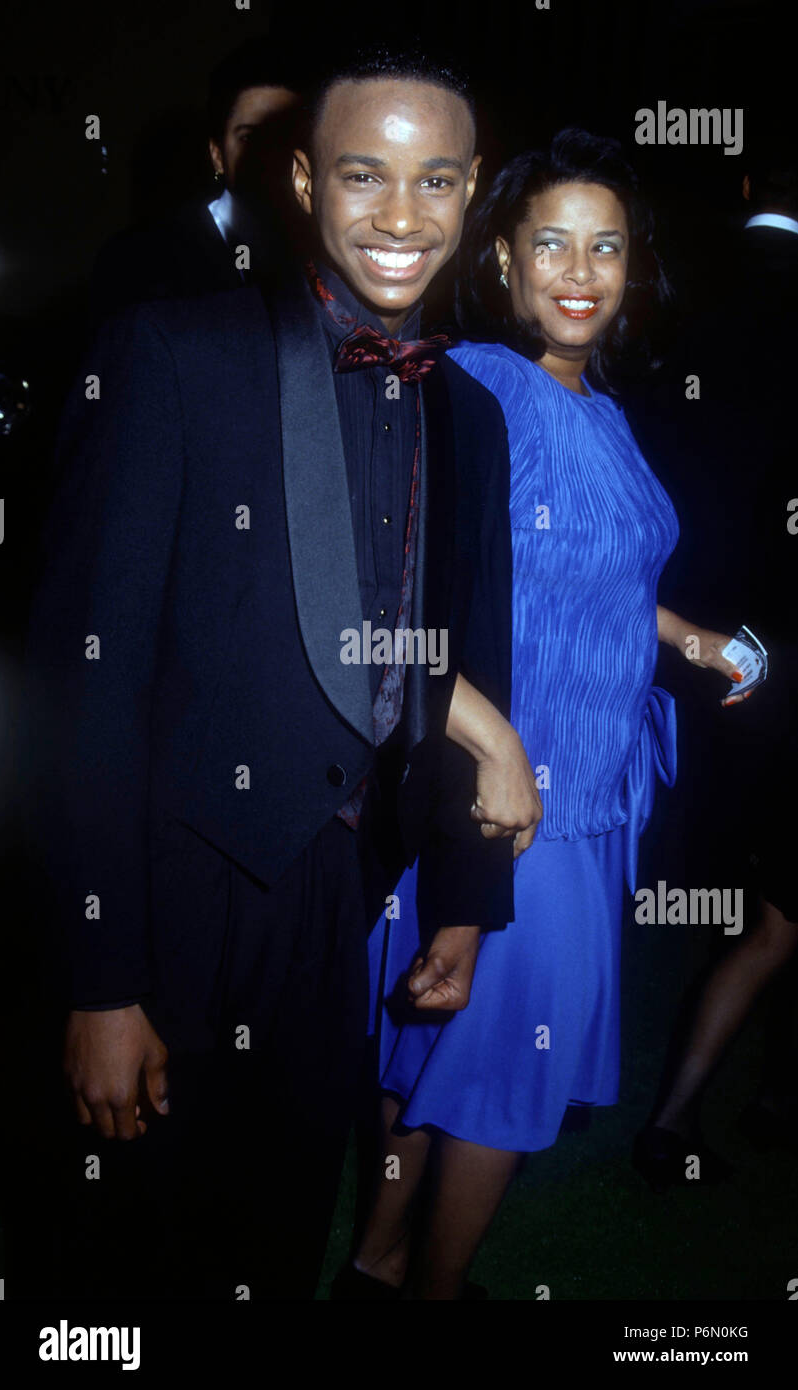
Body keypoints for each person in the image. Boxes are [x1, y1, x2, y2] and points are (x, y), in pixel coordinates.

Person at [22, 46, 541, 1302]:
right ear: (303, 180)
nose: (402, 215)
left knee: (277, 1223)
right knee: (129, 1259)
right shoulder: (172, 353)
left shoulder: (467, 413)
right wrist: (102, 979)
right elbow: (81, 684)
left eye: (435, 181)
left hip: (346, 893)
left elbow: (474, 655)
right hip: (177, 885)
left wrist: (464, 899)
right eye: (365, 174)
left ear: (471, 193)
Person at [342, 129, 747, 1301]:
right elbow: (400, 592)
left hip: (590, 781)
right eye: (550, 244)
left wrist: (687, 638)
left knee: (444, 1052)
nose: (579, 269)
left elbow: (591, 577)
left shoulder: (597, 405)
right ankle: (429, 1287)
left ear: (632, 269)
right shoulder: (475, 386)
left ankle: (374, 1263)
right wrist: (489, 755)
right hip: (511, 792)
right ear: (504, 264)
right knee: (501, 1081)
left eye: (604, 245)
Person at [631, 132, 798, 1189]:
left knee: (736, 862)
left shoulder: (686, 300)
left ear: (747, 187)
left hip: (697, 608)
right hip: (760, 621)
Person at [90, 37, 305, 324]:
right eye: (249, 137)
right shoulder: (138, 260)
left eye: (285, 137)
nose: (269, 156)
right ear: (217, 154)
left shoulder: (329, 250)